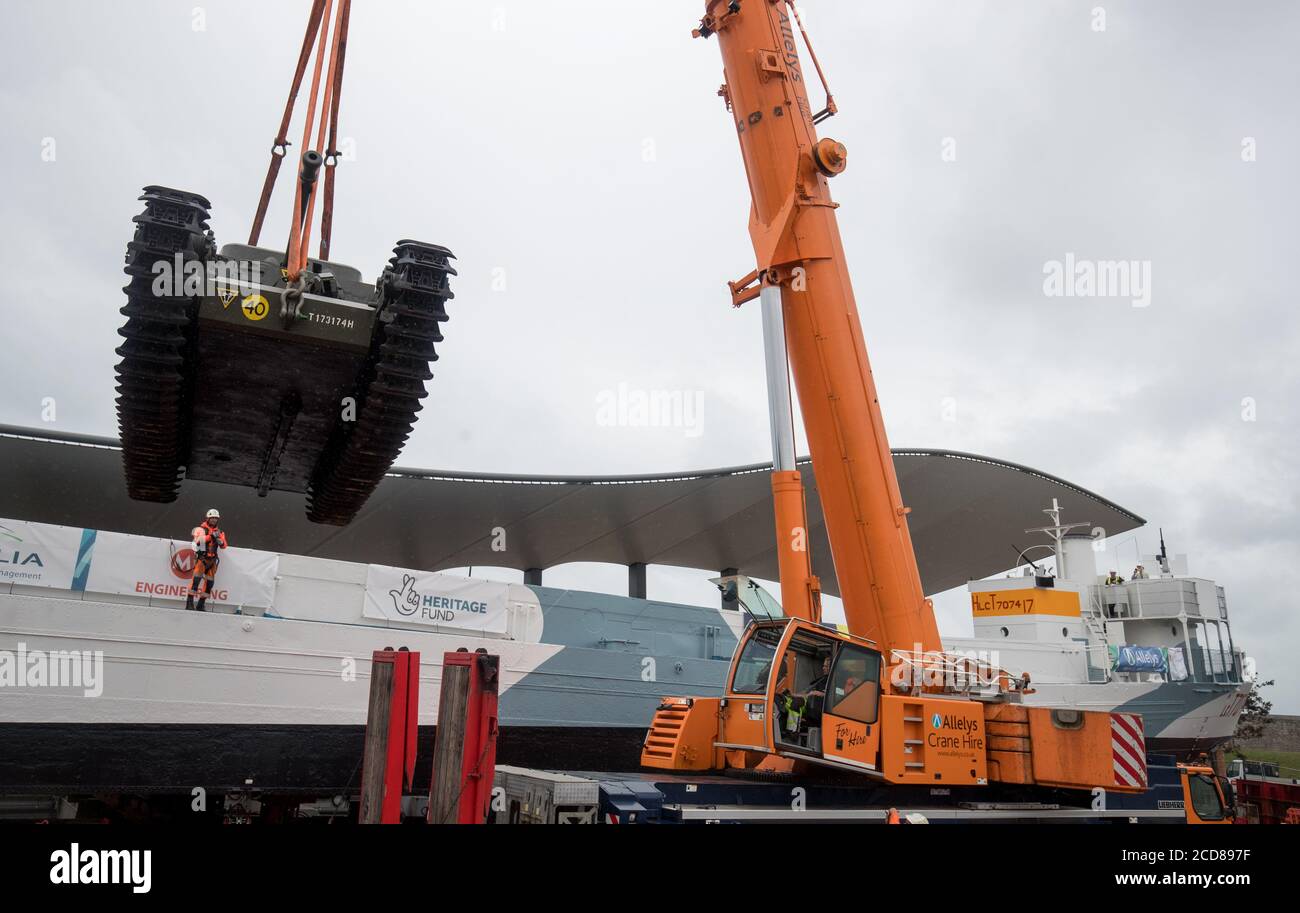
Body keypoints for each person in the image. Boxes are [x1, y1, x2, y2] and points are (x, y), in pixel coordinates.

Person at [185, 508, 228, 612]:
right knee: (196, 581)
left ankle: (201, 604)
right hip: (202, 559)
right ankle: (189, 603)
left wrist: (220, 541)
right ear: (208, 518)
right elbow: (198, 541)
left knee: (209, 584)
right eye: (212, 518)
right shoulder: (200, 529)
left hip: (212, 560)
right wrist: (211, 536)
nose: (214, 520)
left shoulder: (220, 532)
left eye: (215, 518)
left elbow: (224, 546)